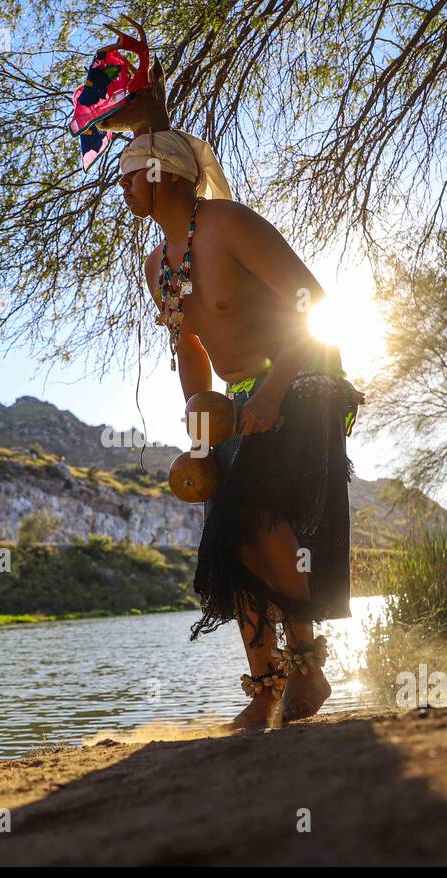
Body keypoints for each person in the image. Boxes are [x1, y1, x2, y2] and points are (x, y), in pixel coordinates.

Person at [119, 130, 364, 729]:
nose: (122, 187)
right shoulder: (157, 266)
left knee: (260, 515)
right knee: (231, 536)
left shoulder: (228, 224)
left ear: (166, 175)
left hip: (303, 377)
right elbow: (188, 348)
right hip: (236, 402)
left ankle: (307, 665)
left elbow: (313, 300)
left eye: (131, 174)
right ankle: (267, 687)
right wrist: (200, 430)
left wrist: (276, 390)